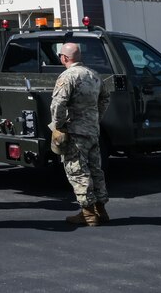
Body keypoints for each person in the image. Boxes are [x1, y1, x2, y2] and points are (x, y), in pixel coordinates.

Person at [50, 41, 111, 226]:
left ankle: (88, 213)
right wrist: (94, 118)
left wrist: (59, 125)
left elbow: (58, 104)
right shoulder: (93, 75)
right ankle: (101, 209)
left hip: (75, 132)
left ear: (64, 58)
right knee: (95, 170)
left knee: (77, 171)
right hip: (92, 131)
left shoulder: (68, 76)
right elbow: (105, 98)